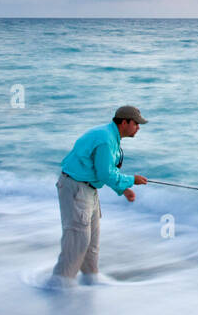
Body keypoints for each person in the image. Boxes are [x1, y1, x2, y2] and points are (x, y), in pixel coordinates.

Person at [51, 105, 149, 285]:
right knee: (77, 242)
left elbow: (105, 170)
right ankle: (59, 285)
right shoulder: (105, 139)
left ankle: (90, 281)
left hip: (88, 190)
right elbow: (105, 174)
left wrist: (123, 189)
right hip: (76, 188)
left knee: (91, 244)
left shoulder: (111, 136)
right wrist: (131, 180)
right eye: (136, 123)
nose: (138, 127)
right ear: (124, 122)